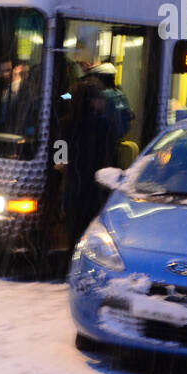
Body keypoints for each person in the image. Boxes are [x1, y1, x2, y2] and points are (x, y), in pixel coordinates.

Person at [60, 73, 123, 250]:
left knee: (75, 231)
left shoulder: (67, 123)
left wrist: (64, 165)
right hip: (96, 188)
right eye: (101, 99)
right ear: (93, 101)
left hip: (74, 186)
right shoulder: (105, 126)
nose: (104, 103)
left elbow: (60, 156)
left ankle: (71, 262)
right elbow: (110, 159)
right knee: (94, 234)